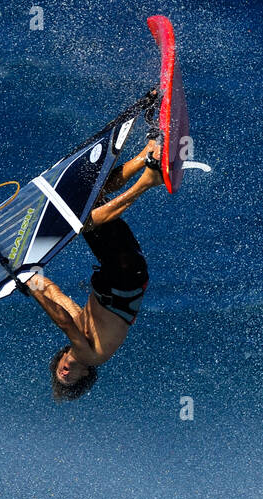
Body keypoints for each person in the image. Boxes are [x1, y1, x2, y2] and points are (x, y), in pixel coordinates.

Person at [27, 138, 164, 401]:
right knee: (81, 223)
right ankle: (149, 179)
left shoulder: (82, 321)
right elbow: (62, 321)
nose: (64, 374)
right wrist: (31, 288)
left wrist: (29, 278)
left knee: (89, 198)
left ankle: (146, 153)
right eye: (70, 380)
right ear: (85, 376)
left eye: (59, 374)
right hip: (124, 276)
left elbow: (53, 293)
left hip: (126, 273)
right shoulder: (90, 356)